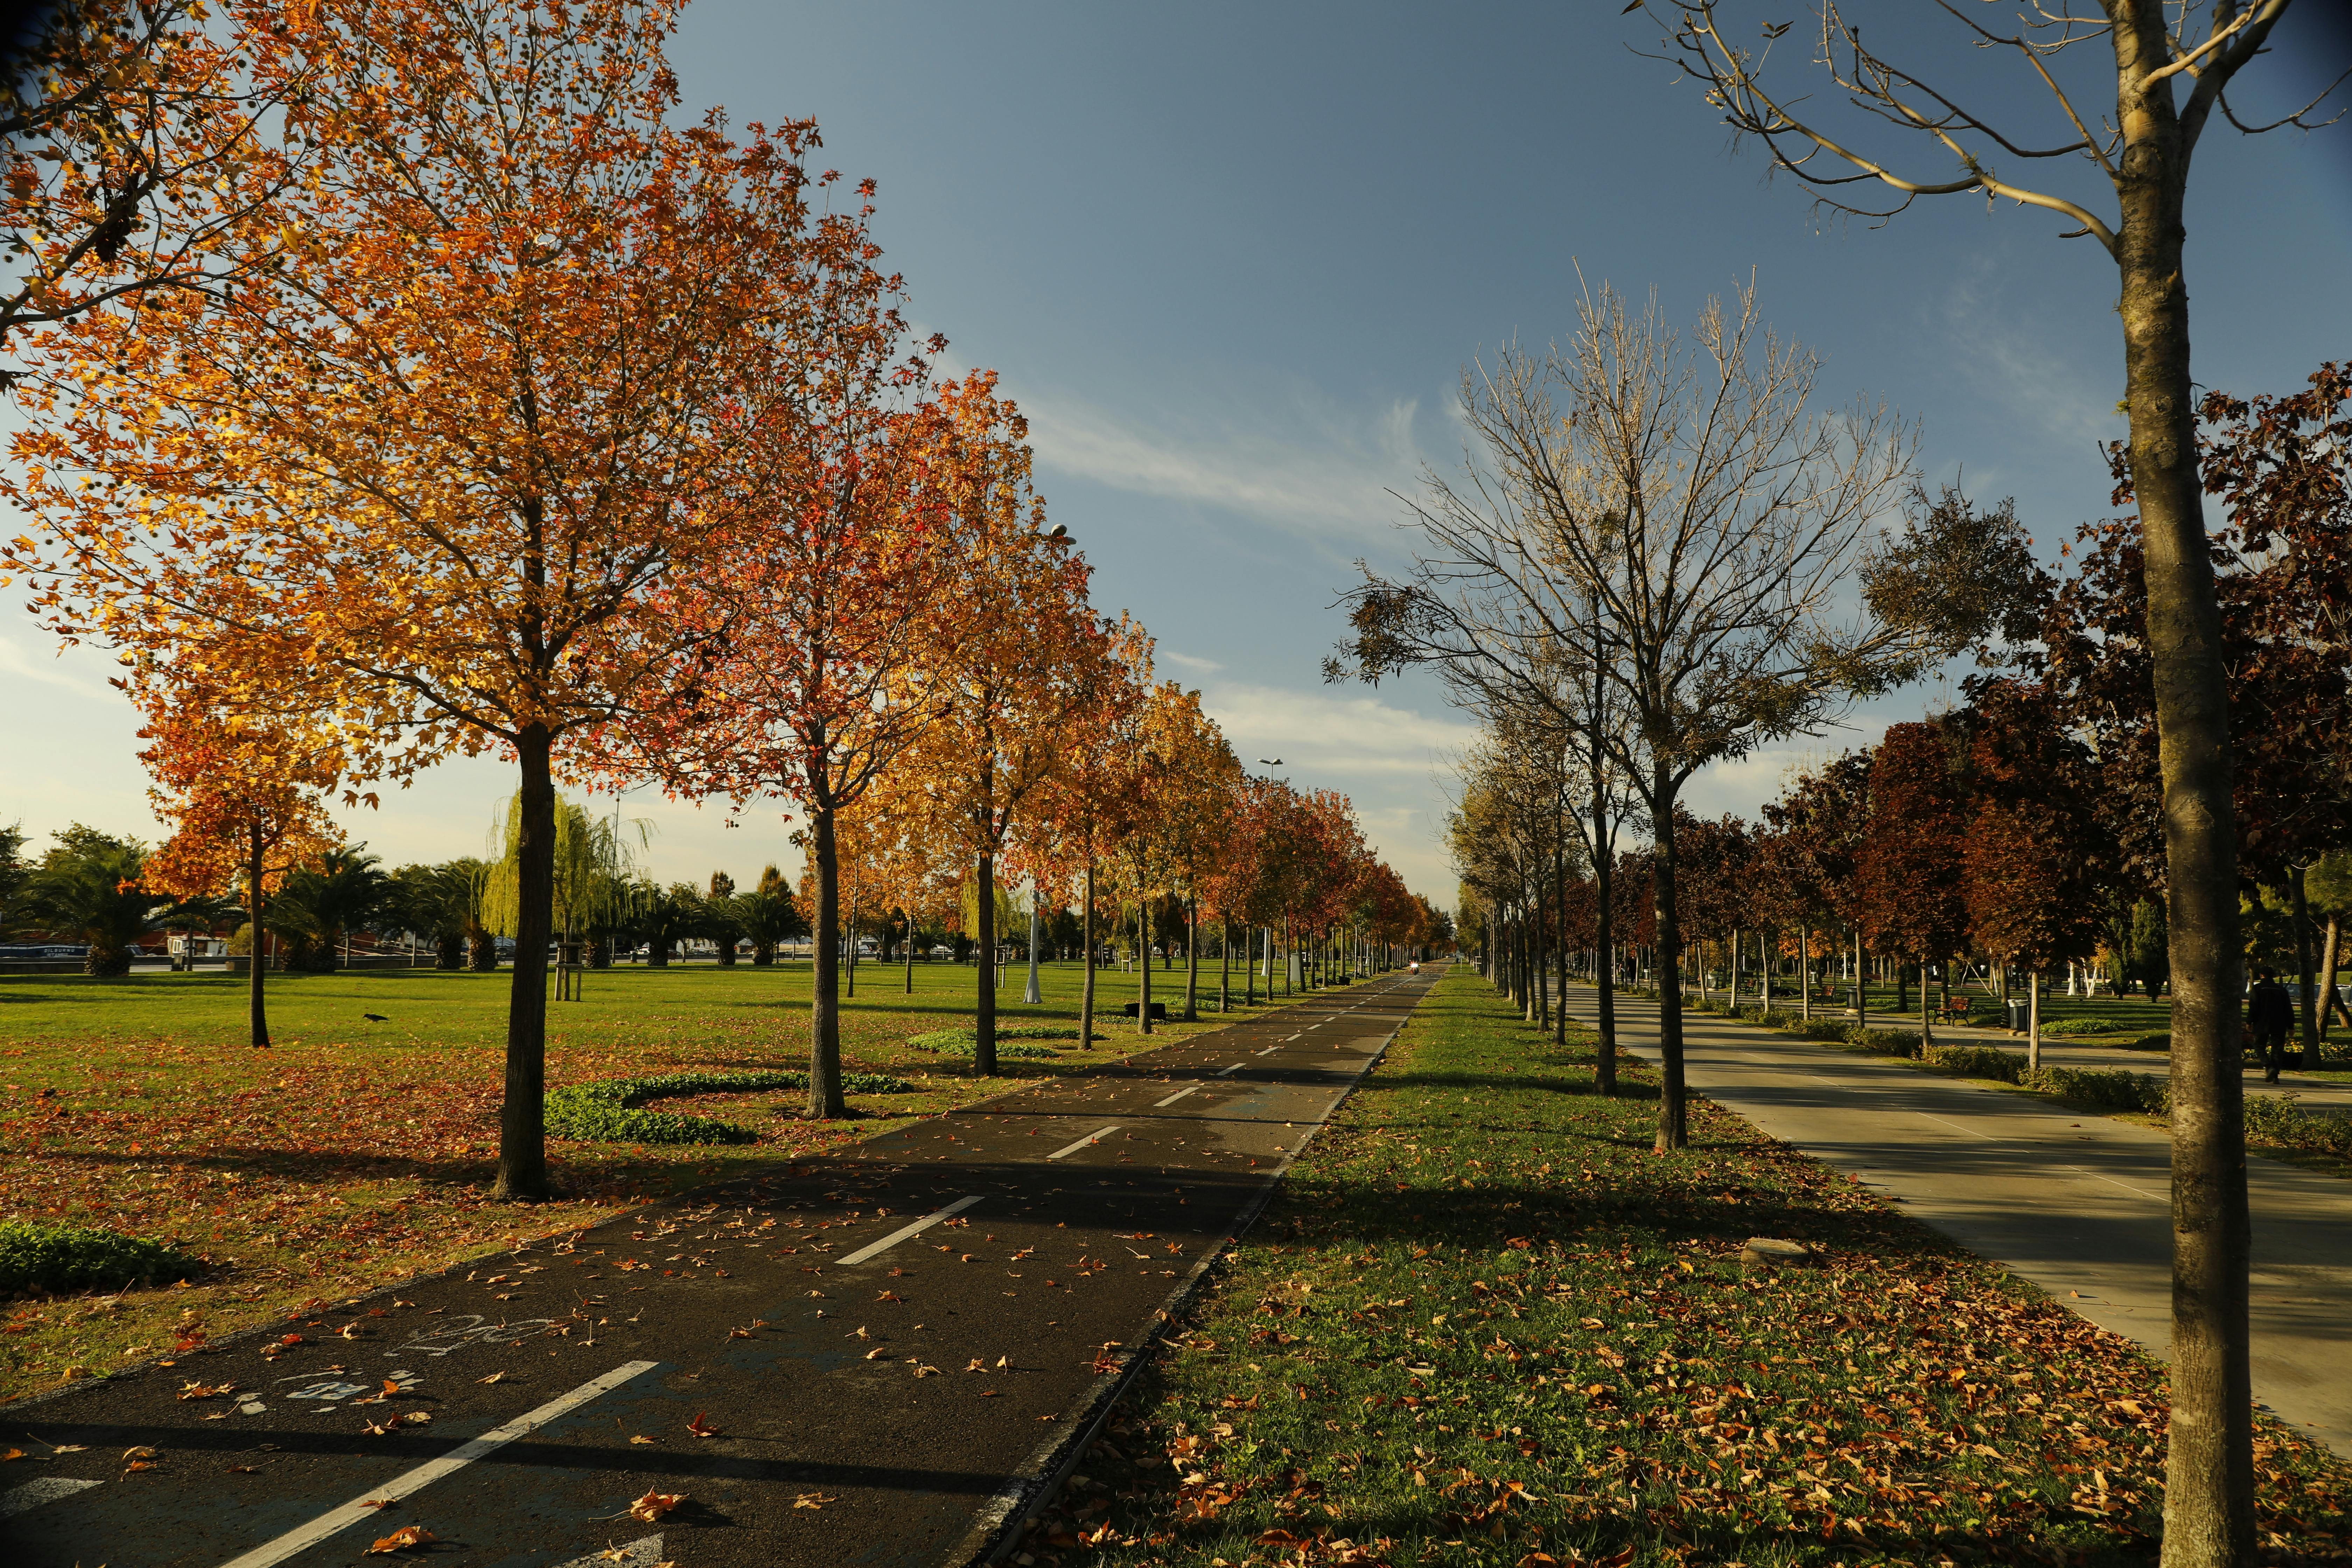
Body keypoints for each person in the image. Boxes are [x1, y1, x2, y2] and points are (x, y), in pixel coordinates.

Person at [2246, 966, 2296, 1083]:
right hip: (2280, 1023)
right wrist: (2291, 1026)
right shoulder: (2281, 990)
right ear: (2273, 976)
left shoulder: (2258, 988)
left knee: (2259, 1046)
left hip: (2262, 1023)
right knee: (2277, 1049)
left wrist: (2249, 1021)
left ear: (2262, 975)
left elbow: (2253, 1007)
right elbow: (2288, 1009)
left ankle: (2269, 1066)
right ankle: (2276, 1075)